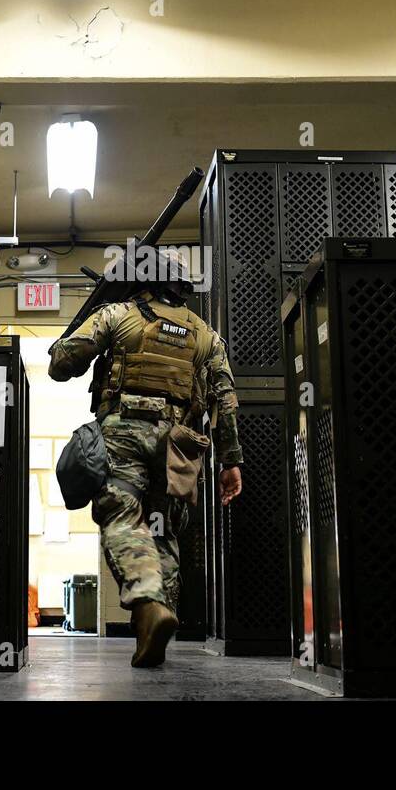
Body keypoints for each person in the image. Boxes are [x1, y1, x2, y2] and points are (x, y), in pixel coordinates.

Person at [48, 258, 243, 668]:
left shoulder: (117, 314)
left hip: (124, 431)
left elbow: (61, 367)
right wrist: (231, 462)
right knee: (162, 529)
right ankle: (150, 632)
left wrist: (64, 342)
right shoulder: (206, 335)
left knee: (120, 515)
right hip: (179, 442)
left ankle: (149, 601)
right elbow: (224, 400)